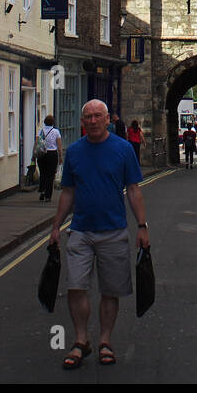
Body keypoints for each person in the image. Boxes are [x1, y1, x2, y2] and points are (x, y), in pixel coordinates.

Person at [51, 100, 148, 369]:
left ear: (108, 119)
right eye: (88, 117)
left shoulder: (123, 149)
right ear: (83, 121)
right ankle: (81, 340)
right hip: (80, 230)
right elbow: (68, 192)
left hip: (114, 231)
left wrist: (142, 226)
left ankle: (105, 340)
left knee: (110, 290)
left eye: (97, 116)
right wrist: (56, 226)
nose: (92, 121)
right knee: (75, 287)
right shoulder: (74, 152)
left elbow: (134, 189)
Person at [36, 114, 63, 201]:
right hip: (52, 154)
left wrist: (34, 156)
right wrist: (61, 156)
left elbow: (37, 144)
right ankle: (48, 196)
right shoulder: (56, 132)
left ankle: (42, 191)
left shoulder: (40, 131)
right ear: (53, 122)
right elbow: (59, 145)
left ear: (45, 122)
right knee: (50, 175)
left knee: (42, 173)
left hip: (42, 154)